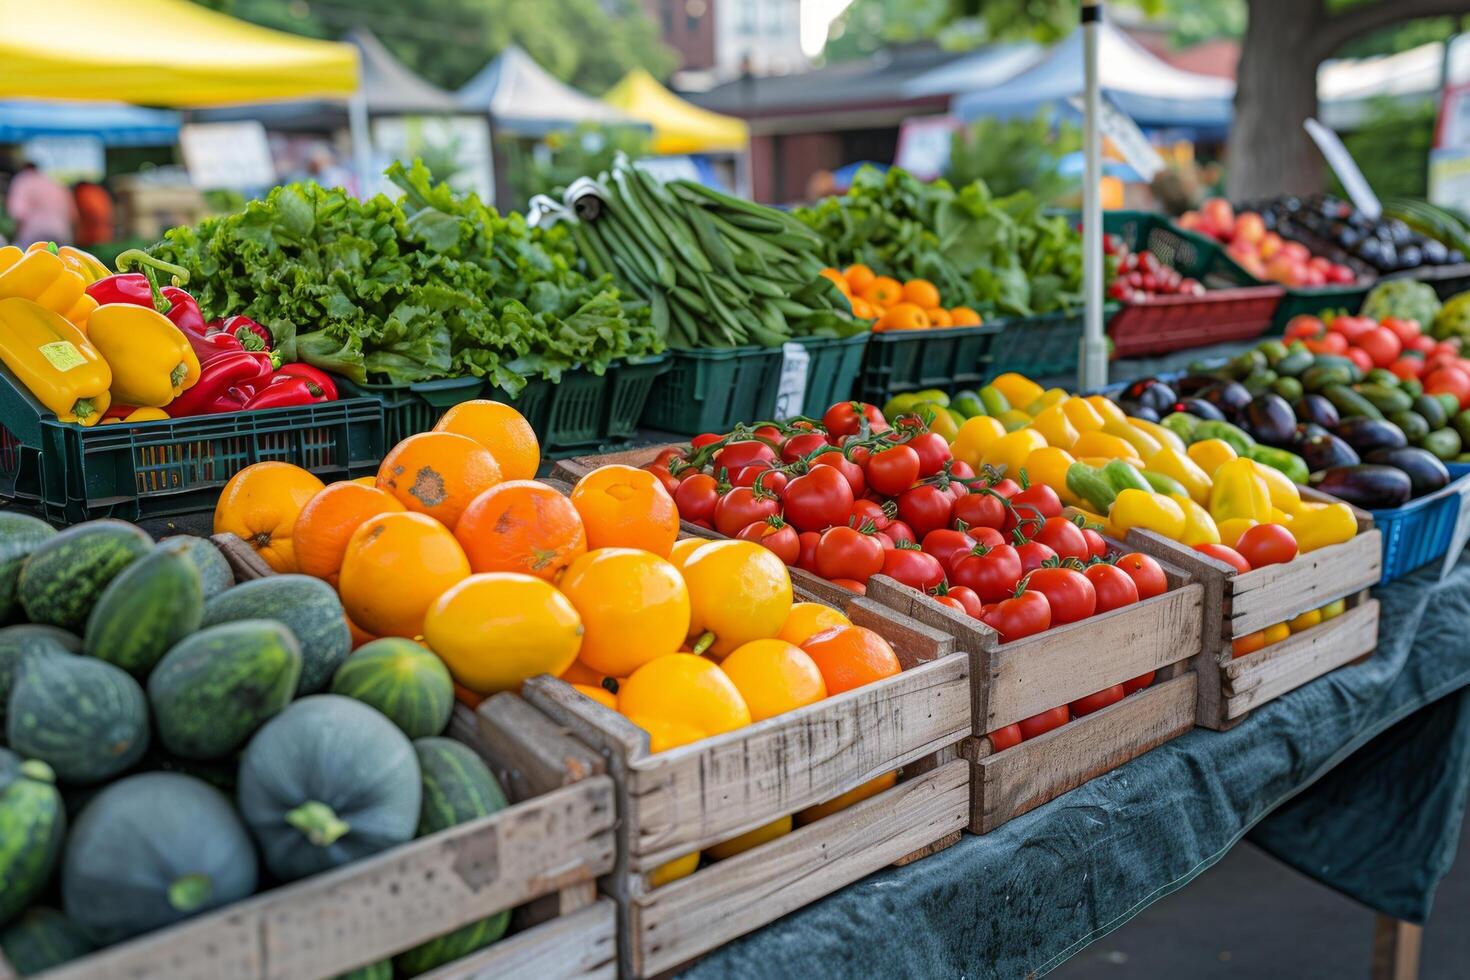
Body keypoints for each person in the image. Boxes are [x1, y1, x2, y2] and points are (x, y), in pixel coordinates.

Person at [5, 162, 76, 245]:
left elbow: (18, 212)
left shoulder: (22, 181)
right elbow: (72, 215)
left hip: (34, 233)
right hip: (60, 232)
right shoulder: (55, 182)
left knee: (33, 257)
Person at [73, 181, 114, 247]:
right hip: (104, 235)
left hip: (90, 237)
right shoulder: (98, 191)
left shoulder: (83, 192)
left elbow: (93, 213)